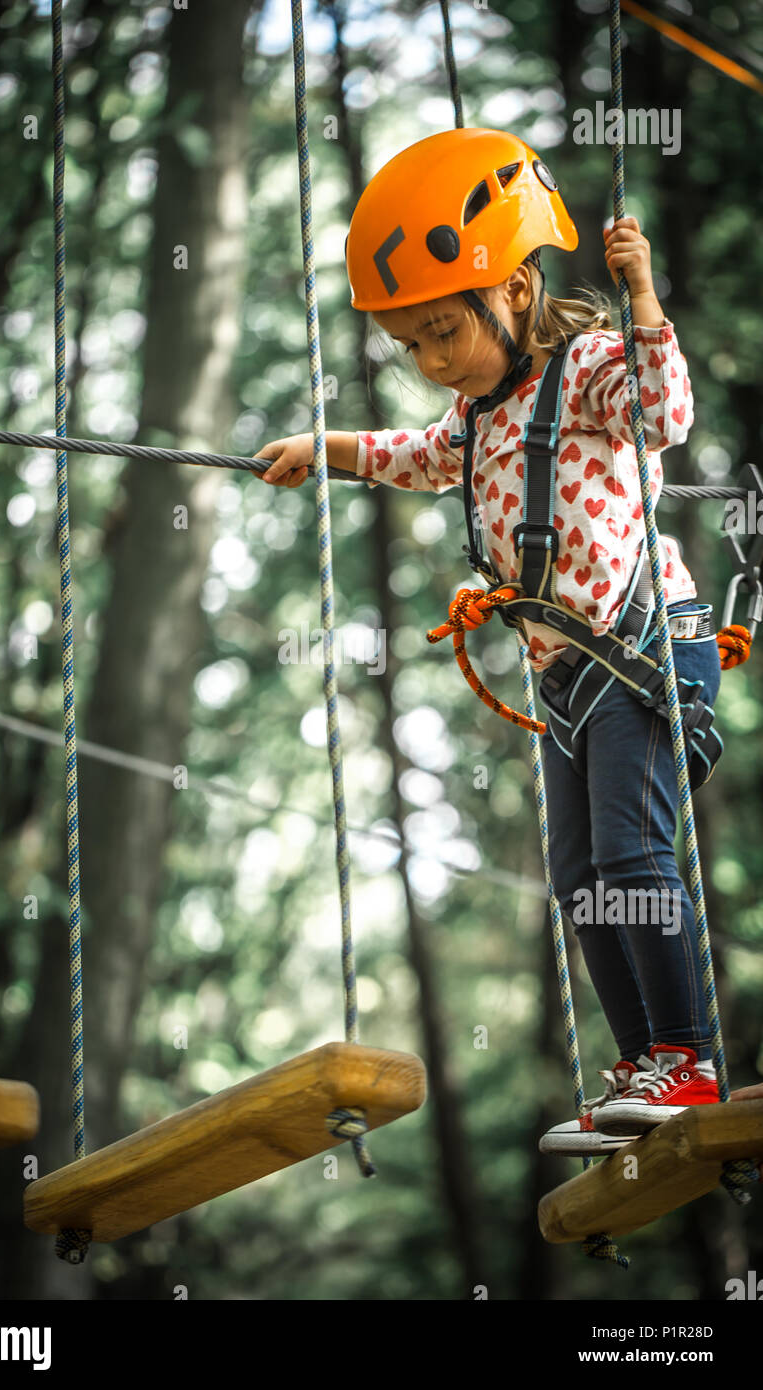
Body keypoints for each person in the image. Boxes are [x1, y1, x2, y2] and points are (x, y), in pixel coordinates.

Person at [255, 128, 722, 1156]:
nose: (427, 364)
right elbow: (411, 456)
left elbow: (665, 411)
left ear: (512, 290)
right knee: (579, 870)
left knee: (634, 852)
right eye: (409, 346)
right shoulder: (473, 419)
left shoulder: (593, 367)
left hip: (644, 648)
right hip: (567, 674)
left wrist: (641, 297)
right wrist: (321, 449)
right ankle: (643, 1064)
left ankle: (685, 1059)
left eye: (439, 334)